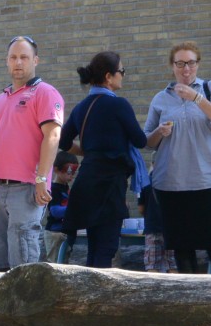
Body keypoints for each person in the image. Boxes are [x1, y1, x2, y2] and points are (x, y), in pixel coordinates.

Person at [143, 41, 211, 274]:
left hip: (207, 180)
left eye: (191, 63)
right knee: (181, 247)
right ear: (172, 66)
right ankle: (190, 303)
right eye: (180, 63)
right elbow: (146, 141)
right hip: (169, 184)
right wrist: (159, 133)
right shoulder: (160, 98)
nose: (186, 69)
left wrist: (197, 98)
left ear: (198, 64)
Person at [0, 36, 64, 270]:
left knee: (23, 264)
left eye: (24, 57)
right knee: (2, 262)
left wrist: (42, 179)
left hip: (26, 188)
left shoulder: (45, 93)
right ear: (6, 61)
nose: (18, 62)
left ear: (36, 60)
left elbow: (53, 136)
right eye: (13, 57)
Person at [59, 51, 148, 268]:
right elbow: (140, 140)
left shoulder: (82, 107)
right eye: (122, 71)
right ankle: (98, 299)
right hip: (109, 183)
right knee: (106, 247)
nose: (123, 76)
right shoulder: (119, 105)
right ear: (109, 76)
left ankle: (89, 297)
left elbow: (63, 141)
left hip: (87, 181)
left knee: (94, 246)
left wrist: (89, 151)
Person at [42, 151, 78, 262]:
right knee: (54, 264)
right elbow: (55, 211)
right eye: (68, 173)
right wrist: (75, 208)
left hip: (65, 231)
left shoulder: (65, 187)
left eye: (73, 173)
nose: (71, 176)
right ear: (56, 170)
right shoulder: (54, 188)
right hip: (55, 233)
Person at [138, 180, 178, 273]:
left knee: (152, 265)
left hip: (152, 227)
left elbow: (141, 209)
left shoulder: (145, 182)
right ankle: (176, 287)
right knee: (172, 264)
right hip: (172, 228)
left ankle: (152, 287)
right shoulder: (175, 181)